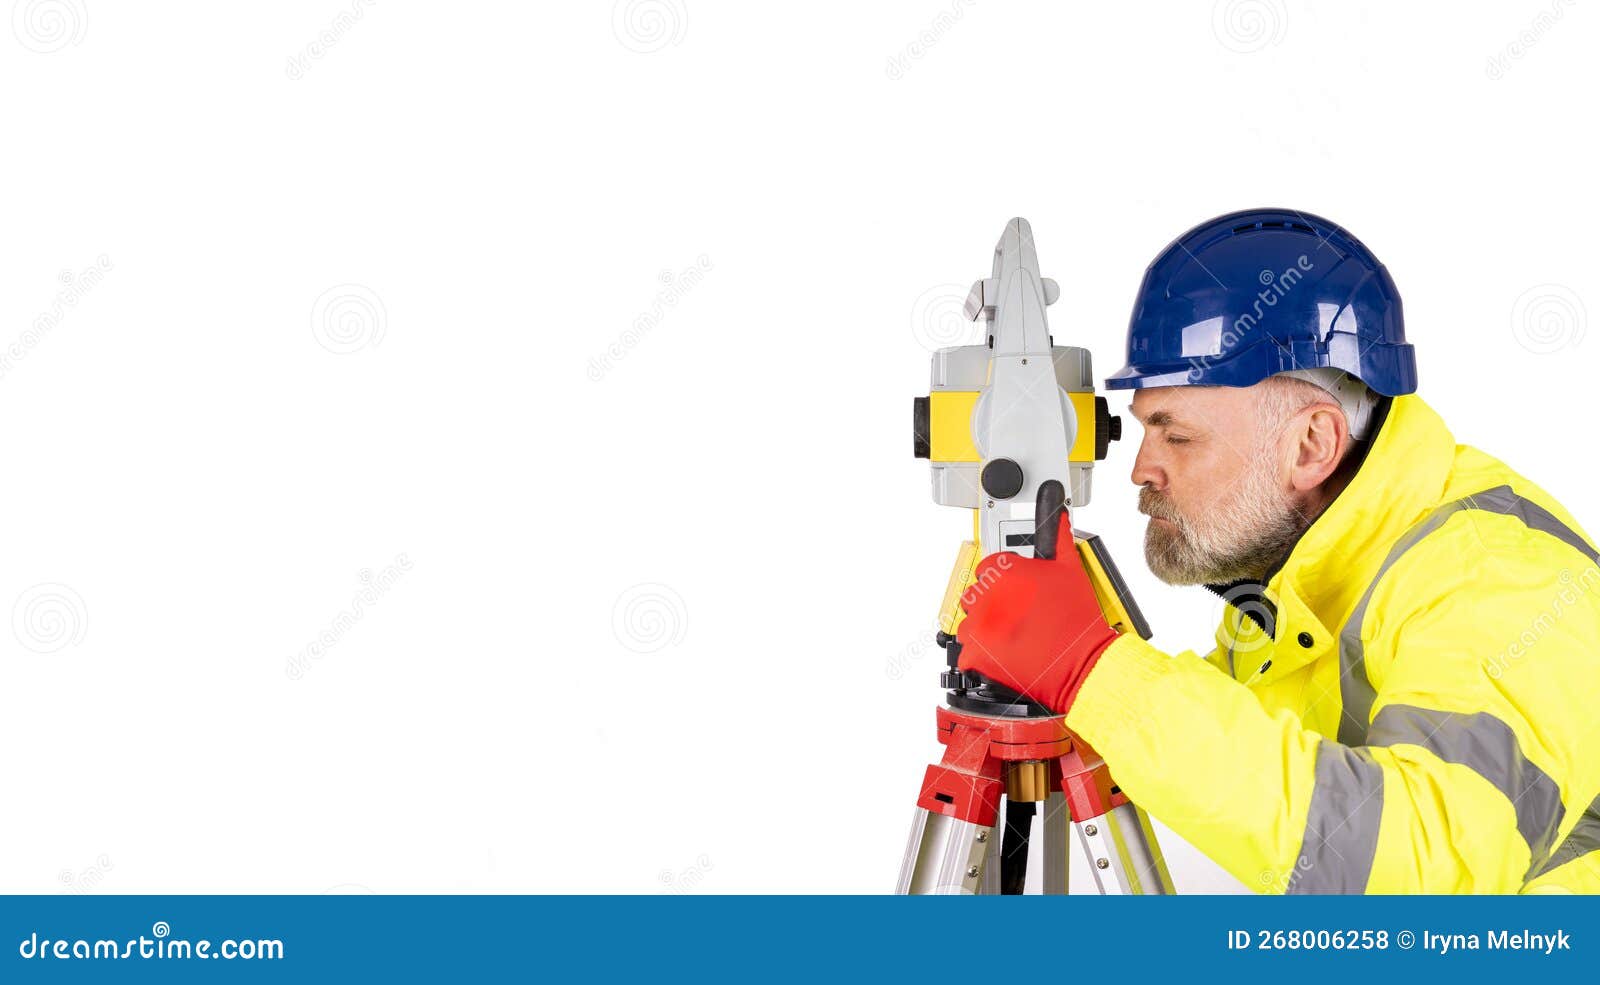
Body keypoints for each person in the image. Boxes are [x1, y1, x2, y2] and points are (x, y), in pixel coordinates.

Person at [954, 208, 1600, 893]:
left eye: (1178, 435)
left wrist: (1093, 670)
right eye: (1143, 428)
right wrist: (1076, 685)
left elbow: (1420, 873)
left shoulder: (1499, 580)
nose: (1141, 468)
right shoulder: (1305, 577)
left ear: (1310, 445)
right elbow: (1259, 752)